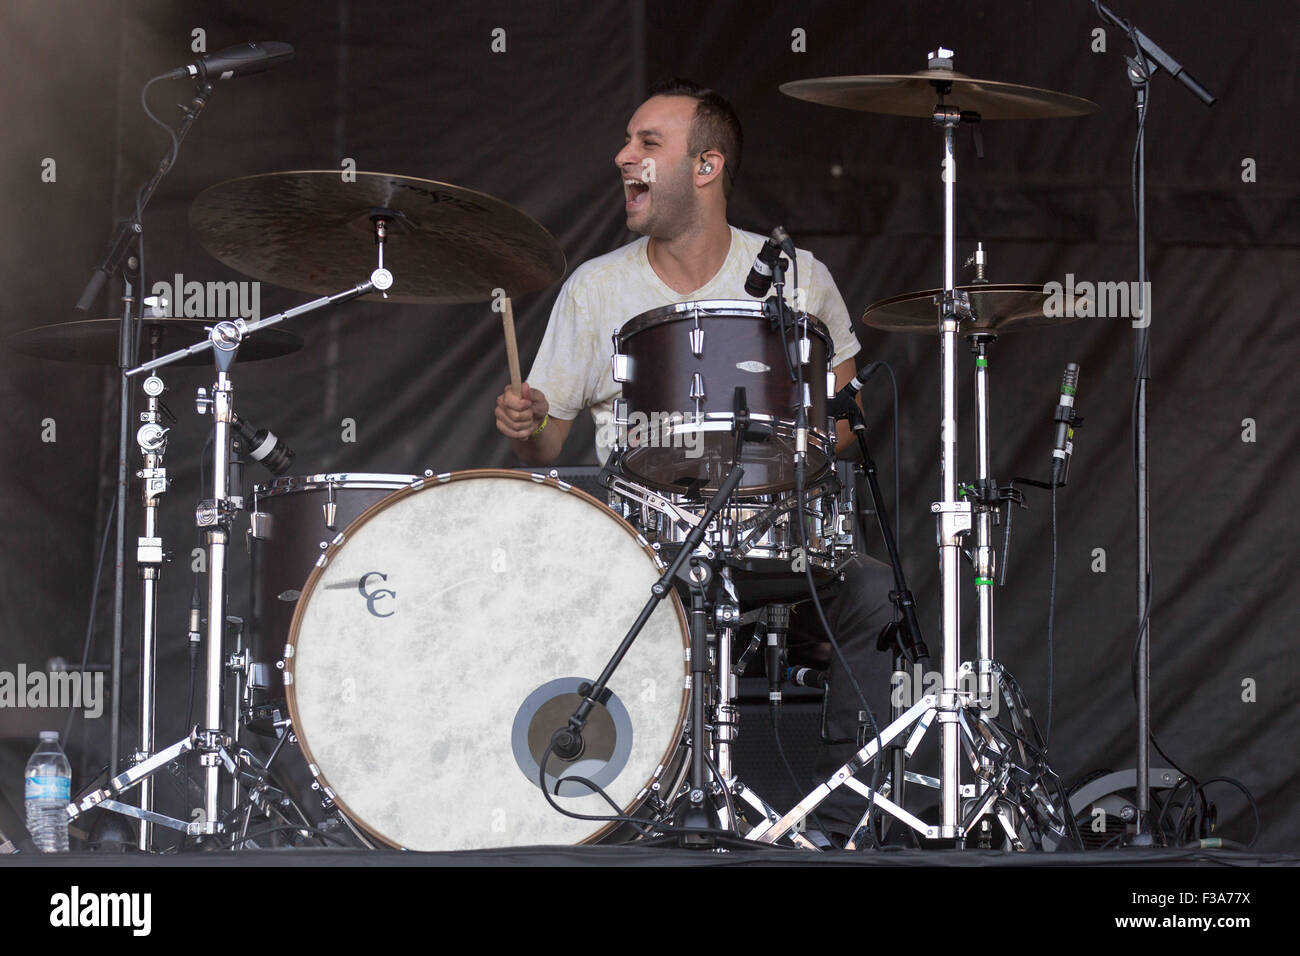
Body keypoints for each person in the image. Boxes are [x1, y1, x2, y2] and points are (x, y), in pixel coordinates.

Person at [494, 78, 894, 843]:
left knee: (875, 597)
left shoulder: (796, 276)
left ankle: (847, 831)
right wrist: (525, 423)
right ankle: (606, 818)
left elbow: (851, 418)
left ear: (706, 167)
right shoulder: (597, 288)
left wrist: (806, 436)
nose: (623, 158)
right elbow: (546, 441)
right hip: (644, 549)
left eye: (647, 143)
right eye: (626, 141)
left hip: (777, 540)